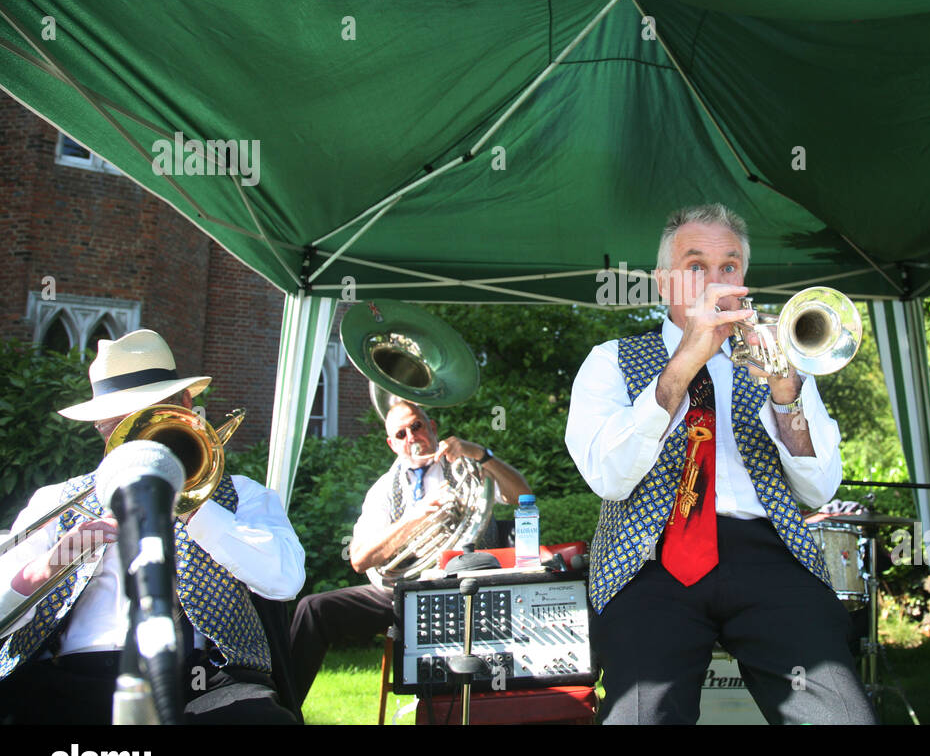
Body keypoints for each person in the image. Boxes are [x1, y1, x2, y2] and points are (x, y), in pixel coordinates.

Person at [565, 203, 874, 724]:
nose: (715, 280)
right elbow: (609, 476)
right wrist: (686, 360)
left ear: (744, 279)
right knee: (641, 716)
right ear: (664, 283)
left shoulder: (782, 359)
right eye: (695, 267)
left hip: (769, 556)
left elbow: (818, 489)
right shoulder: (609, 360)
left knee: (841, 717)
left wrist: (786, 395)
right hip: (650, 560)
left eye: (728, 267)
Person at [0, 329, 305, 724]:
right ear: (102, 428)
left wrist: (197, 509)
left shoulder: (242, 495)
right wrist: (51, 565)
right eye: (120, 425)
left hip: (203, 679)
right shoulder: (56, 501)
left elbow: (285, 580)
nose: (138, 437)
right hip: (76, 677)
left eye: (151, 416)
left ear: (185, 405)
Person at [288, 400, 530, 707]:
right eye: (401, 434)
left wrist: (479, 453)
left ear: (433, 428)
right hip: (403, 594)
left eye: (416, 426)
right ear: (392, 444)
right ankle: (284, 707)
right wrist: (413, 519)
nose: (411, 437)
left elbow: (524, 496)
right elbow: (360, 559)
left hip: (468, 590)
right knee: (313, 609)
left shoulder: (468, 468)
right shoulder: (383, 489)